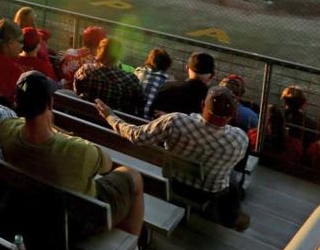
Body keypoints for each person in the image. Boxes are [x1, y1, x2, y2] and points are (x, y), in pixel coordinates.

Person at [0, 71, 157, 250]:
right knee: (133, 175)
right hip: (76, 220)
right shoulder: (79, 150)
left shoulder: (6, 129)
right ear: (50, 103)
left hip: (32, 210)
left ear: (17, 102)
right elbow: (106, 164)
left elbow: (25, 127)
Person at [97, 86, 250, 230]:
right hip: (210, 191)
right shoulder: (240, 139)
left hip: (174, 182)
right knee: (231, 175)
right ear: (232, 115)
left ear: (203, 104)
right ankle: (232, 216)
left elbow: (136, 136)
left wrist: (110, 116)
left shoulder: (174, 121)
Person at [73, 37, 144, 115]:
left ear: (99, 51)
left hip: (85, 119)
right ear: (118, 55)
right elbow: (140, 104)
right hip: (112, 125)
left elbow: (76, 91)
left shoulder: (85, 70)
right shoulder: (130, 80)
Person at [150, 51, 215, 115]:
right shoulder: (212, 101)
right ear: (212, 75)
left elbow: (153, 113)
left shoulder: (167, 87)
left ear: (187, 68)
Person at [133, 48, 172, 118]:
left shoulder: (138, 71)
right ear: (167, 65)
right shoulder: (166, 81)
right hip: (148, 121)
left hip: (130, 115)